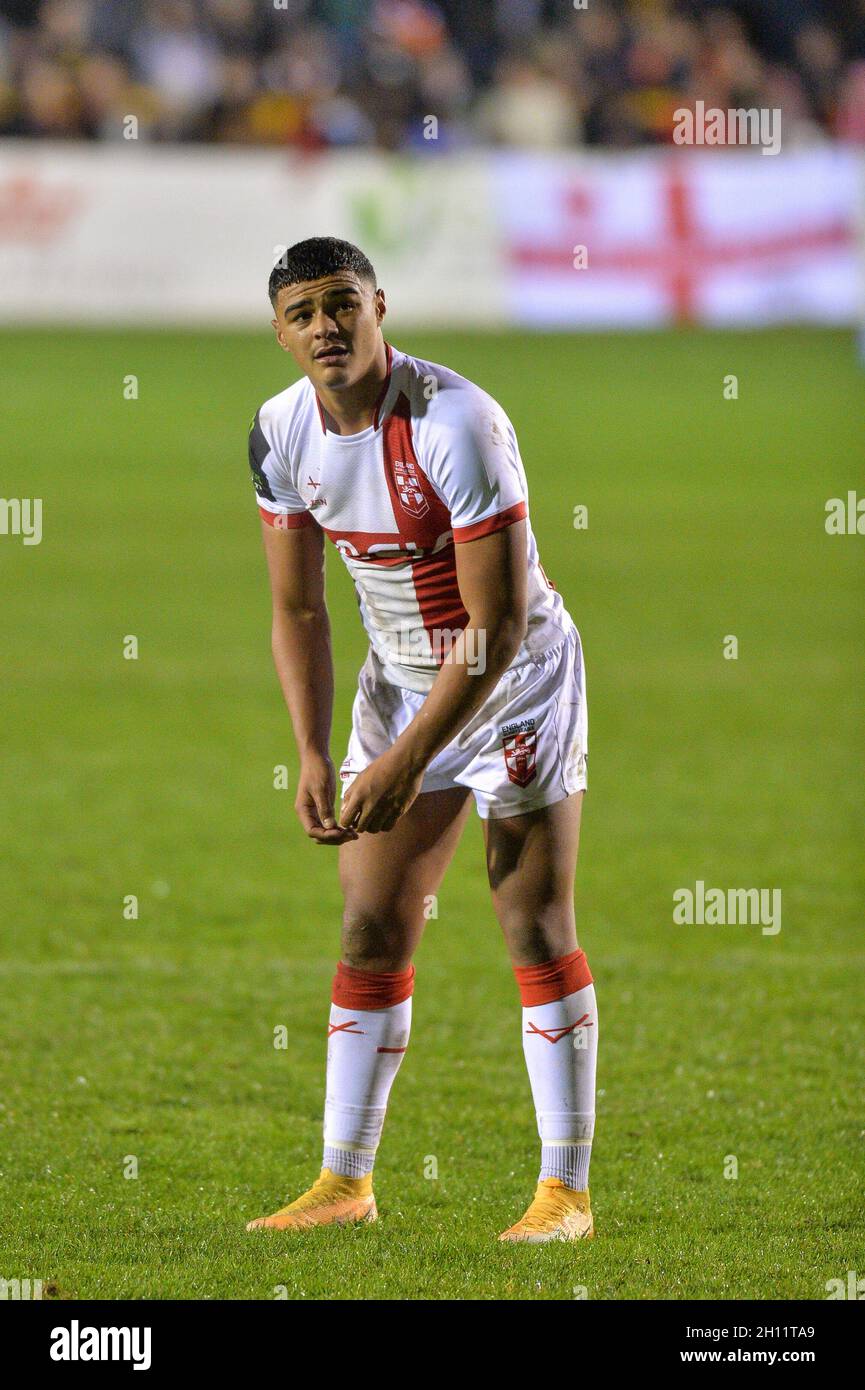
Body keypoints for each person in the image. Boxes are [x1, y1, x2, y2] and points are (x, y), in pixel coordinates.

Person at [244, 237, 597, 1242]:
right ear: (280, 331)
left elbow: (495, 626)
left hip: (514, 680)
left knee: (530, 922)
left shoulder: (458, 421)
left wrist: (405, 763)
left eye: (341, 303)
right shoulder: (278, 433)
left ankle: (563, 1194)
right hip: (399, 680)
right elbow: (299, 610)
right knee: (369, 926)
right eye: (302, 311)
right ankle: (344, 1184)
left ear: (379, 307)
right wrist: (314, 751)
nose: (325, 326)